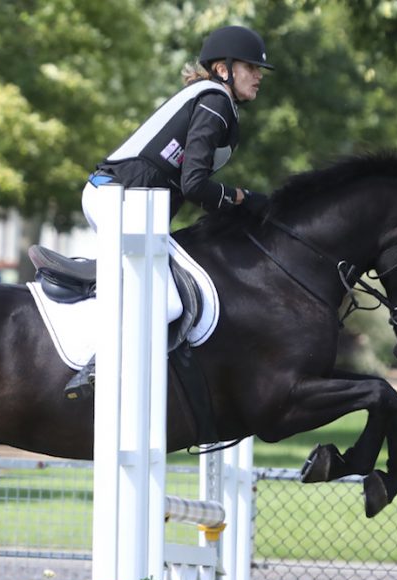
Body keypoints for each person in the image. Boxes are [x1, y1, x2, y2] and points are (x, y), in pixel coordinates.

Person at [64, 25, 274, 400]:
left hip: (120, 199)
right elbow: (194, 185)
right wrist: (242, 198)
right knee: (170, 301)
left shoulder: (212, 100)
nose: (259, 76)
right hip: (119, 200)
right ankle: (100, 367)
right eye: (251, 67)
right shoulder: (215, 102)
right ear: (224, 69)